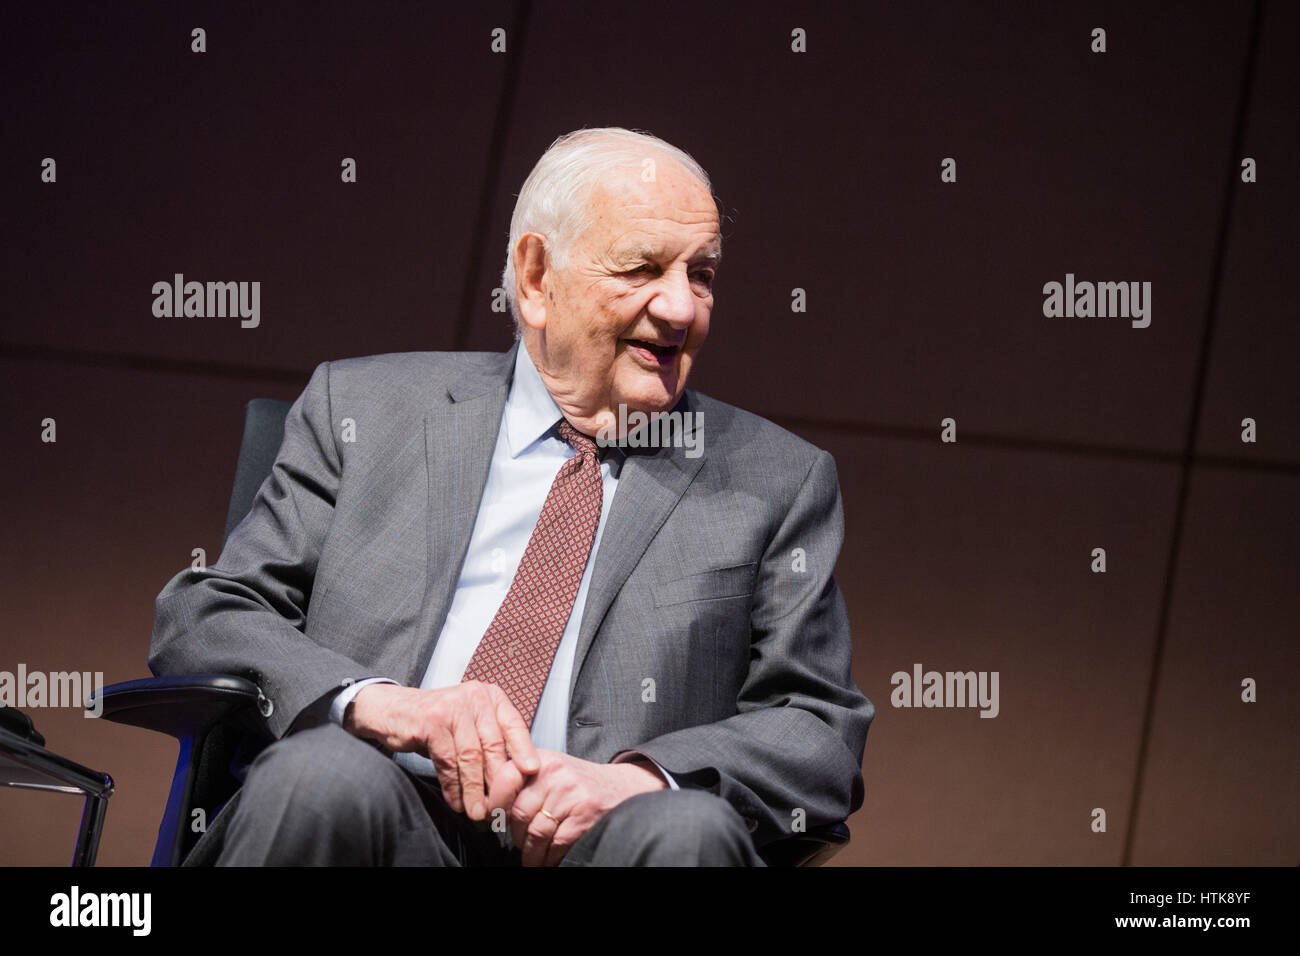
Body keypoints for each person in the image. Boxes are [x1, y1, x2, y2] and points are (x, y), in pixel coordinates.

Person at [150, 127, 873, 866]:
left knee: (685, 829)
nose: (682, 309)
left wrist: (641, 780)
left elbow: (817, 728)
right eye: (643, 268)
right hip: (370, 822)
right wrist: (374, 703)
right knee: (326, 774)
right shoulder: (364, 410)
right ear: (535, 277)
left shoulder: (774, 479)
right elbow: (204, 614)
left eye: (703, 274)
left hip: (595, 850)